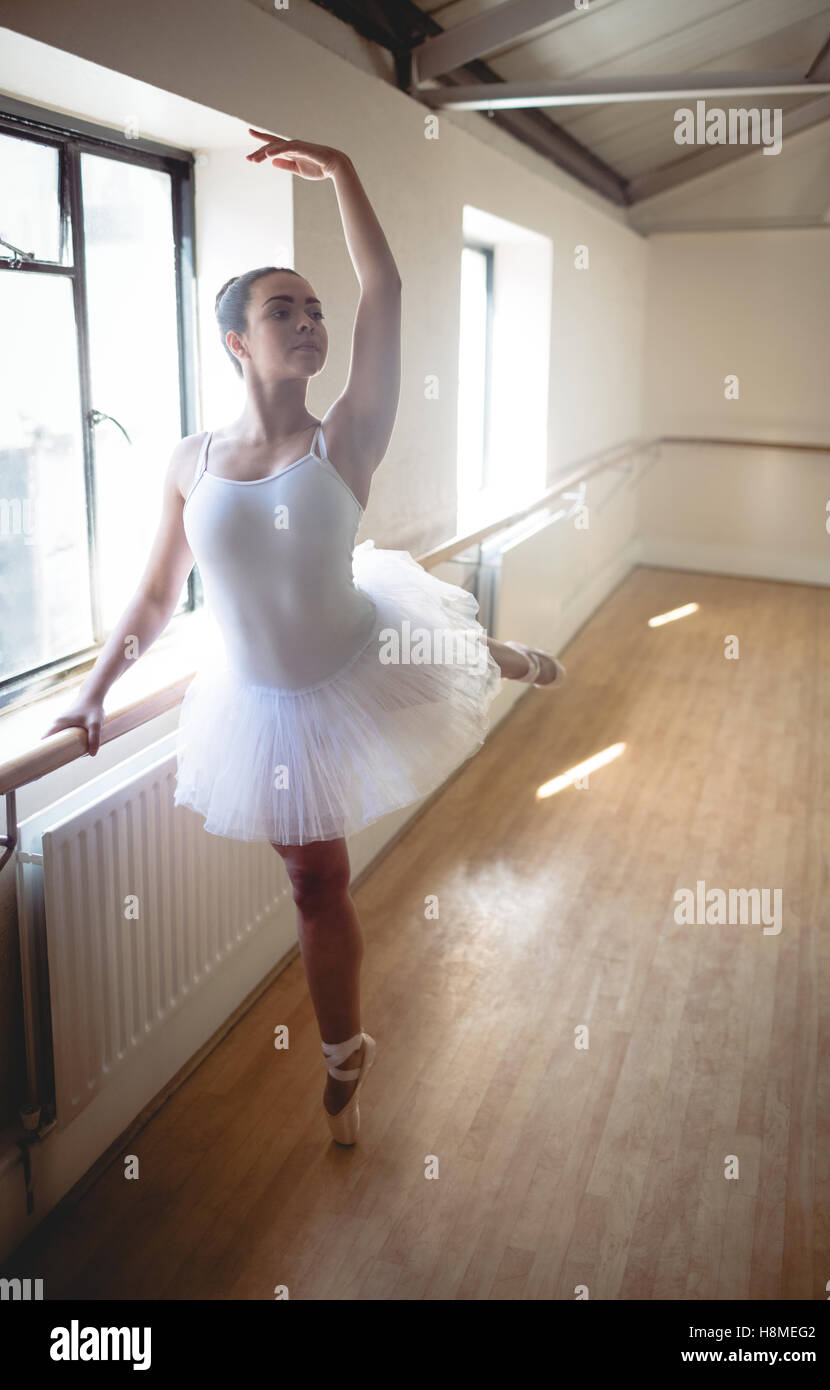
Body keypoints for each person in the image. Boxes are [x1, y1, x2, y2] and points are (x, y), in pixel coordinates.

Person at [41, 133, 566, 1145]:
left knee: (426, 644)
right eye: (283, 308)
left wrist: (342, 169)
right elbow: (156, 594)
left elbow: (388, 287)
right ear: (236, 339)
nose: (310, 319)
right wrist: (96, 688)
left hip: (357, 650)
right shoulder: (190, 460)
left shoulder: (345, 437)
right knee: (312, 880)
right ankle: (345, 1051)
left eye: (316, 308)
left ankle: (490, 651)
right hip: (266, 699)